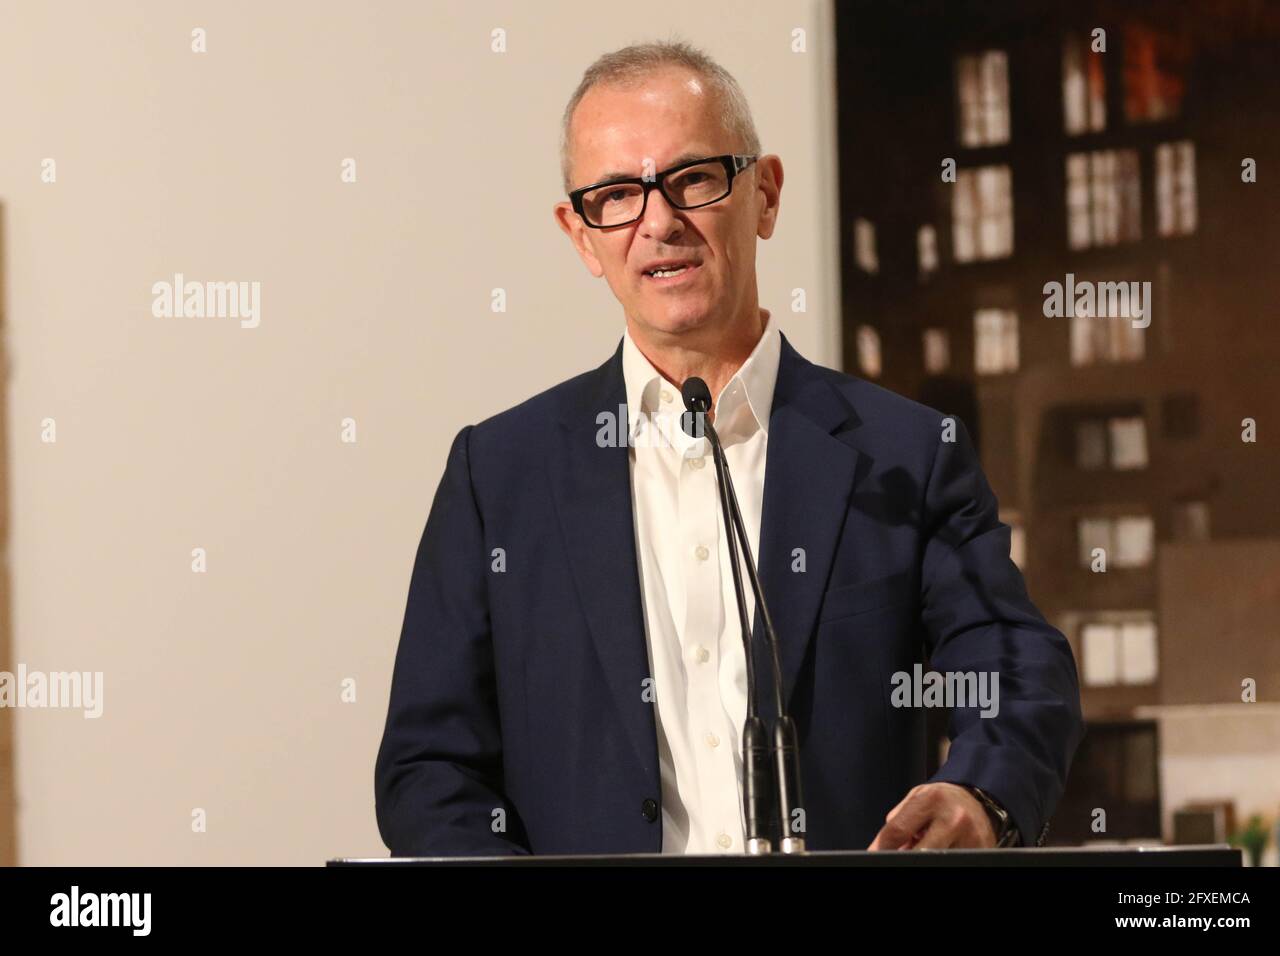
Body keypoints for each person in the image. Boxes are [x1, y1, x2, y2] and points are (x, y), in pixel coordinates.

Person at [374, 39, 1083, 856]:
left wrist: (979, 792)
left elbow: (1018, 665)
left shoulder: (903, 457)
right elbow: (428, 770)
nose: (659, 223)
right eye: (615, 195)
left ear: (766, 194)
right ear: (580, 234)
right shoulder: (497, 477)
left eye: (694, 179)